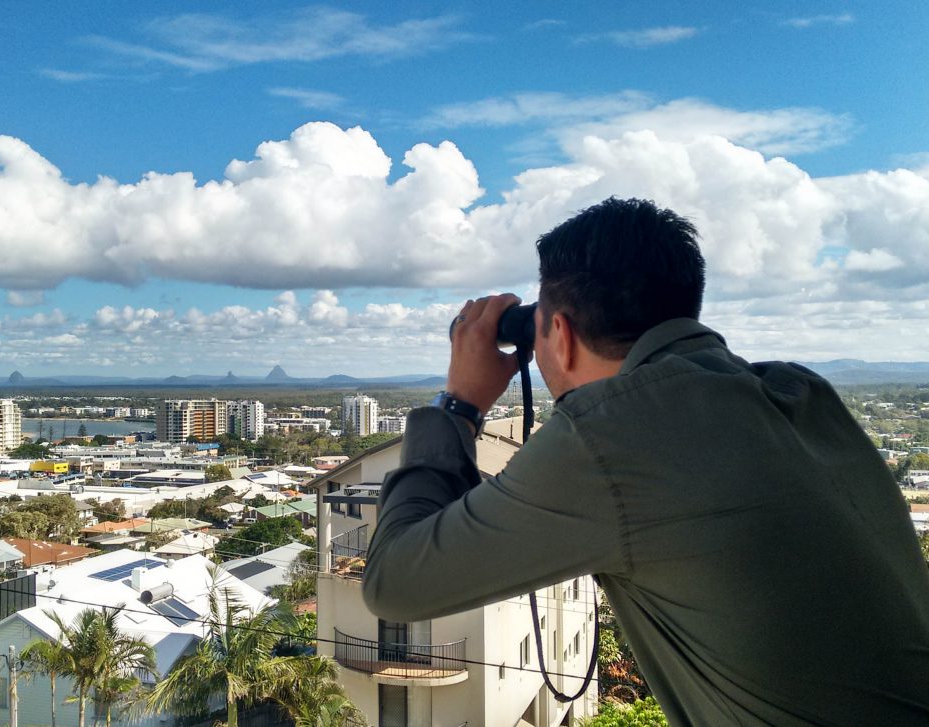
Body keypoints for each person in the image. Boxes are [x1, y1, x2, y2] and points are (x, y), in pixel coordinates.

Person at [361, 198, 929, 726]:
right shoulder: (800, 392)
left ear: (557, 333)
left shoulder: (607, 436)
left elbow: (393, 583)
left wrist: (457, 404)